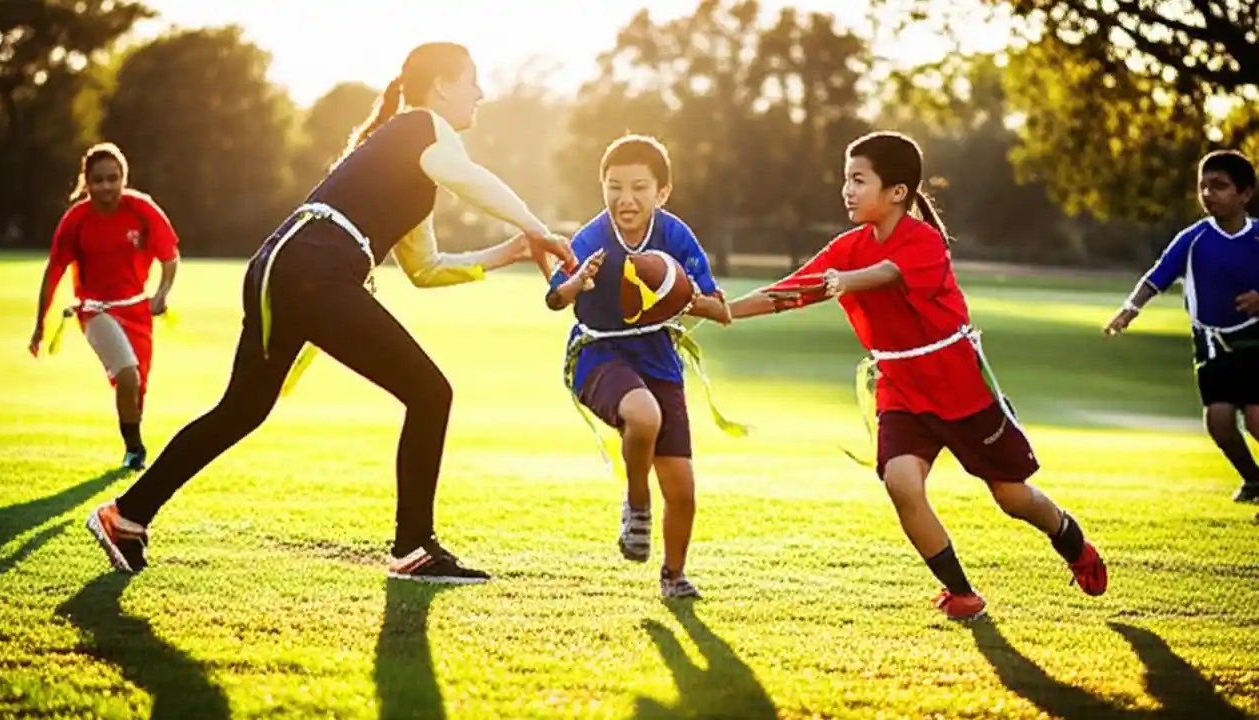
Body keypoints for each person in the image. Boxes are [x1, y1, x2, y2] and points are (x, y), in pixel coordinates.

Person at [85, 42, 575, 582]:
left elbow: (426, 268)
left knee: (242, 409)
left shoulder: (415, 163)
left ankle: (126, 516)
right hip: (311, 268)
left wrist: (508, 253)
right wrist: (536, 226)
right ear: (440, 86)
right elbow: (470, 178)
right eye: (472, 80)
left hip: (287, 265)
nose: (481, 93)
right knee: (430, 392)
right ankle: (414, 547)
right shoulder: (424, 127)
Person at [728, 131, 1107, 620]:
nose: (846, 190)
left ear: (897, 192)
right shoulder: (846, 247)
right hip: (900, 389)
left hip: (960, 389)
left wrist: (844, 282)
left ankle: (1072, 541)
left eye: (858, 180)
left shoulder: (924, 241)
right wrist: (724, 310)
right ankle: (962, 593)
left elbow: (889, 274)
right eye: (846, 179)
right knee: (901, 482)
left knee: (1011, 497)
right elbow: (791, 290)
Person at [547, 134, 732, 598]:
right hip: (598, 354)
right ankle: (636, 502)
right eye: (614, 186)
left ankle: (674, 576)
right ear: (602, 187)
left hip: (657, 358)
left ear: (661, 192)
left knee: (684, 490)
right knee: (643, 414)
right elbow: (554, 297)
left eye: (639, 188)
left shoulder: (675, 235)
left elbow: (713, 305)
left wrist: (687, 295)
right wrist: (577, 284)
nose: (625, 199)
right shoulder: (592, 237)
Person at [1105, 150, 1259, 503]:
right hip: (1211, 345)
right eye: (1203, 186)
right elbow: (1156, 277)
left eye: (1219, 186)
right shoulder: (1194, 238)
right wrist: (1130, 309)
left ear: (1245, 194)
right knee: (1219, 422)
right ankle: (1254, 480)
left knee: (1256, 420)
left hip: (1255, 342)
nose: (1208, 194)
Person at [29, 142, 180, 471]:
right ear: (87, 181)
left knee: (137, 387)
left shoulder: (142, 209)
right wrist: (40, 325)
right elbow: (54, 271)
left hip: (137, 311)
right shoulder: (76, 220)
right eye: (98, 180)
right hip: (95, 310)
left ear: (124, 178)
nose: (106, 186)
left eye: (114, 178)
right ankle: (135, 449)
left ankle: (132, 437)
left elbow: (170, 256)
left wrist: (162, 293)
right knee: (127, 374)